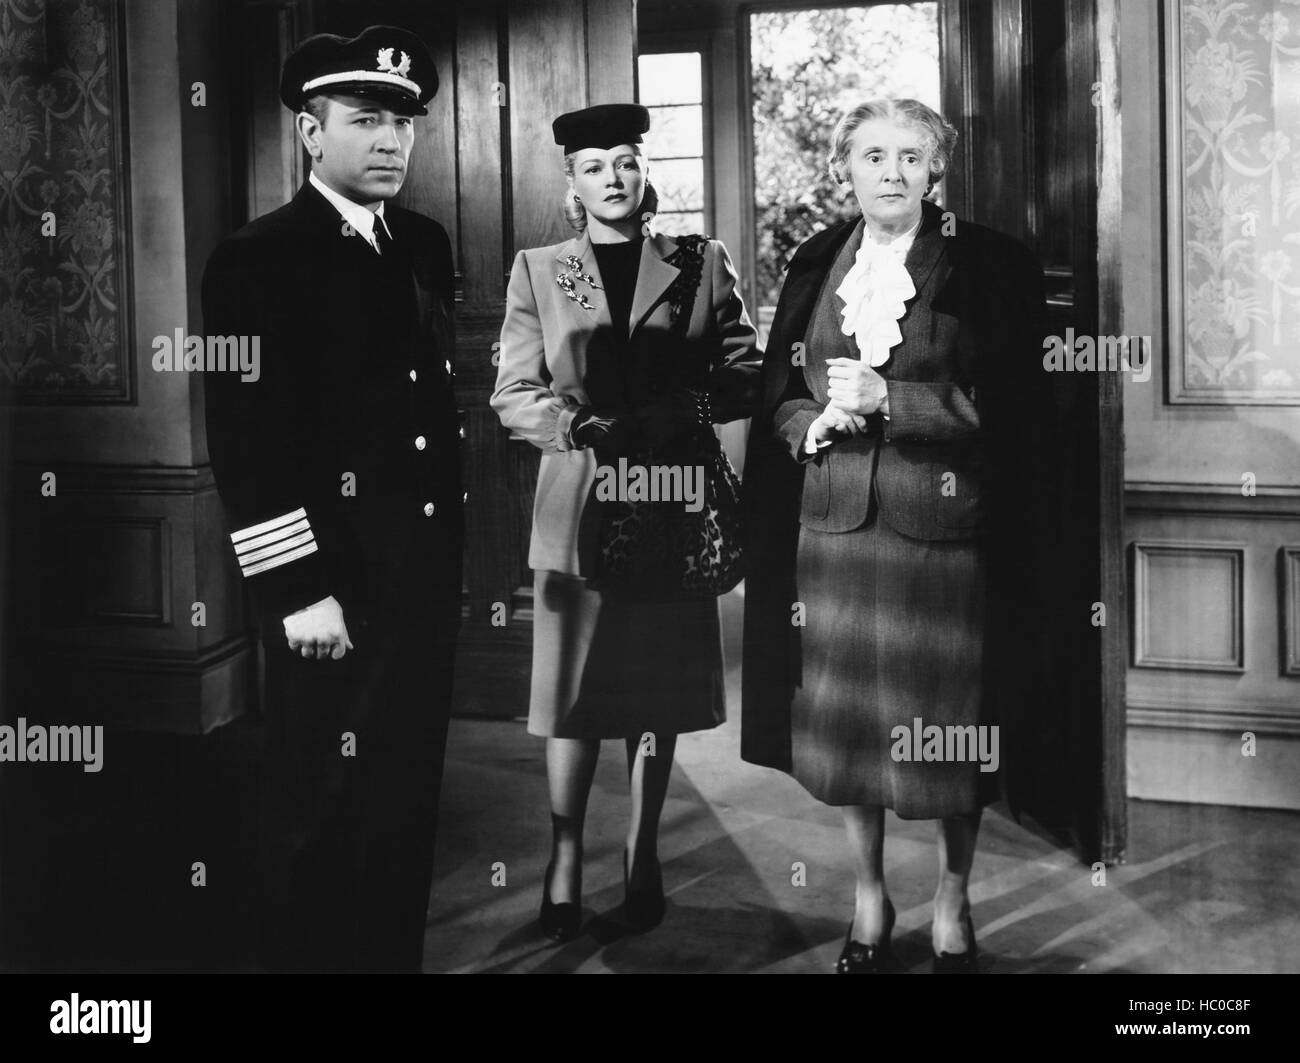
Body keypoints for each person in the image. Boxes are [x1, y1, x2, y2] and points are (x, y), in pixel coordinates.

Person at [741, 98, 1056, 973]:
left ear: (934, 170)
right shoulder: (814, 261)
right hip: (834, 531)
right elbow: (782, 390)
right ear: (846, 165)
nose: (891, 172)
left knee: (948, 729)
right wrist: (804, 424)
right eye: (873, 155)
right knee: (849, 732)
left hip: (940, 536)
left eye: (910, 156)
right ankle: (869, 897)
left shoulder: (987, 265)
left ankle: (953, 902)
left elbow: (1022, 409)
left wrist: (899, 404)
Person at [201, 26, 463, 972]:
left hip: (420, 577)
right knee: (319, 803)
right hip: (333, 587)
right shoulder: (258, 258)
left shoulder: (422, 245)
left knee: (403, 796)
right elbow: (244, 439)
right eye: (366, 121)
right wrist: (296, 589)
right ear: (312, 134)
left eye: (403, 123)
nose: (391, 141)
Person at [491, 103, 761, 941]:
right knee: (570, 697)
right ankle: (564, 857)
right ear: (571, 183)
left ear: (647, 174)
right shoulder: (538, 269)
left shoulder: (697, 261)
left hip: (672, 505)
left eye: (628, 162)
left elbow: (748, 370)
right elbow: (511, 391)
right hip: (578, 505)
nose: (615, 177)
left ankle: (641, 857)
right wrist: (573, 425)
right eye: (596, 166)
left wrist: (695, 405)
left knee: (656, 694)